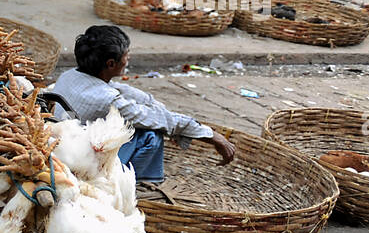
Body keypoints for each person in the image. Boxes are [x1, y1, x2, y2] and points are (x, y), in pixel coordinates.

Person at [50, 25, 234, 183]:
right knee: (151, 134)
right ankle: (127, 183)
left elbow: (130, 94)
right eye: (126, 54)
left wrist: (158, 108)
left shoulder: (70, 76)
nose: (128, 57)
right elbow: (159, 120)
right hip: (82, 162)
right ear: (111, 63)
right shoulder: (107, 101)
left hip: (65, 148)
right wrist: (212, 136)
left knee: (155, 118)